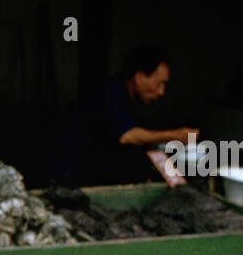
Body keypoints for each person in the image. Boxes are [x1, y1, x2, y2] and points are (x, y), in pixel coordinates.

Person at [47, 45, 199, 186]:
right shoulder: (110, 94)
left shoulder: (123, 95)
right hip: (69, 171)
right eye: (159, 83)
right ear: (139, 77)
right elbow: (128, 136)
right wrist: (176, 135)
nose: (161, 92)